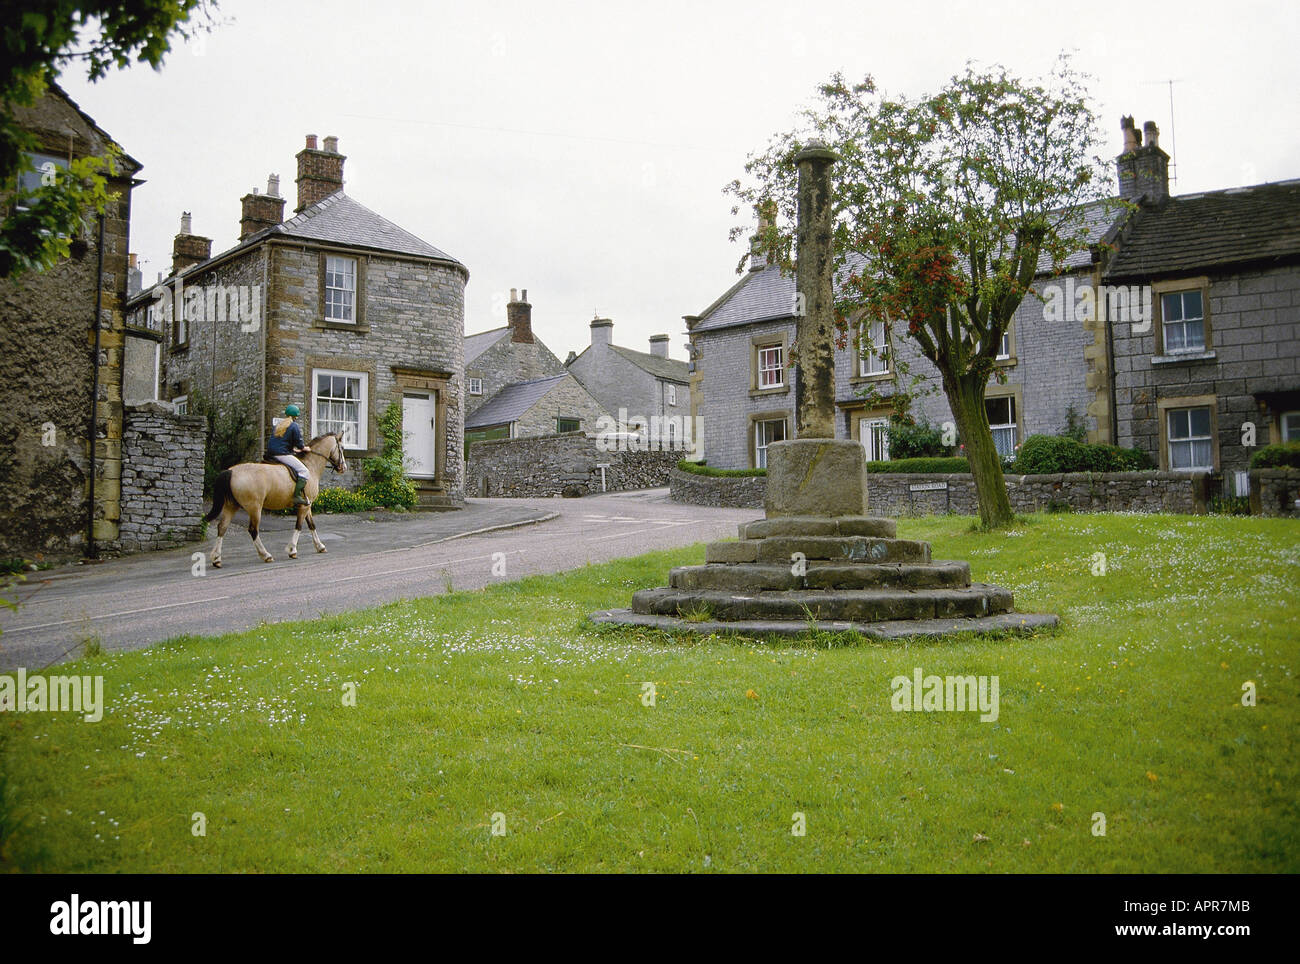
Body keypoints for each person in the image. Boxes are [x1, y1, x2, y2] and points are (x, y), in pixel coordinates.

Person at [266, 404, 312, 505]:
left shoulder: (279, 424)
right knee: (304, 471)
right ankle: (297, 496)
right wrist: (305, 448)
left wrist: (293, 450)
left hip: (271, 453)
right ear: (296, 416)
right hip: (282, 454)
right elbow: (299, 443)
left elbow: (281, 441)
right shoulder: (293, 425)